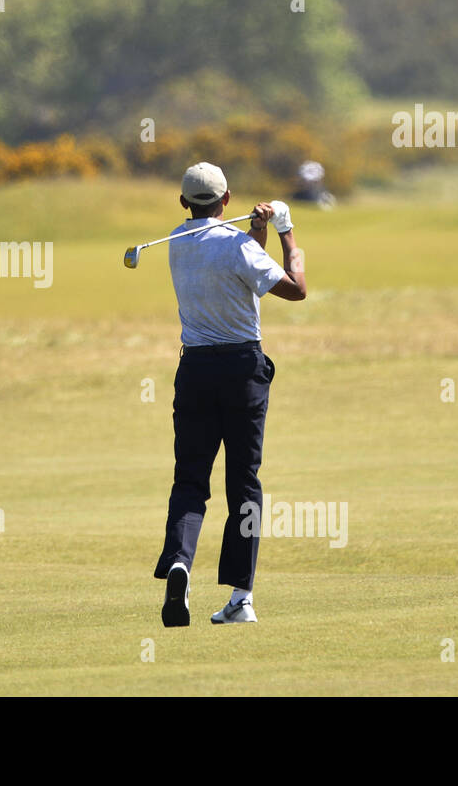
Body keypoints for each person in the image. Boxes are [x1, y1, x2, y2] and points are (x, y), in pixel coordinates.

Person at [153, 162, 306, 627]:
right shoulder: (238, 245)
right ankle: (241, 597)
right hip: (242, 371)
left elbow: (240, 268)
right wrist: (285, 232)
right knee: (244, 484)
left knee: (189, 481)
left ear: (183, 203)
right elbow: (296, 289)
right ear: (227, 200)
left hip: (195, 370)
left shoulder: (176, 246)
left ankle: (179, 561)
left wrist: (253, 233)